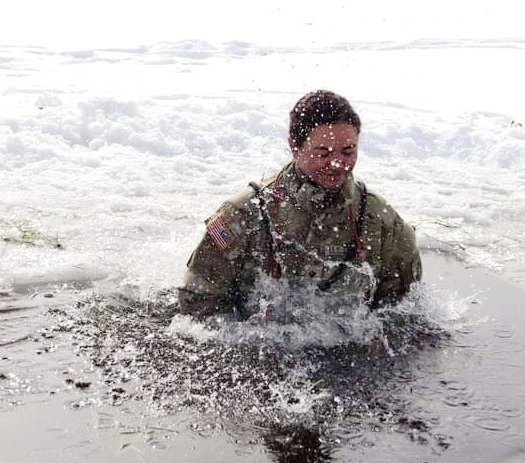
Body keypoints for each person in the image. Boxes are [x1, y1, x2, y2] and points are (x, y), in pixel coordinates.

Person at [178, 90, 421, 319]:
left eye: (348, 152)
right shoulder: (244, 215)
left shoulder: (382, 222)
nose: (337, 164)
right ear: (294, 146)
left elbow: (404, 312)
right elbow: (197, 304)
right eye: (323, 153)